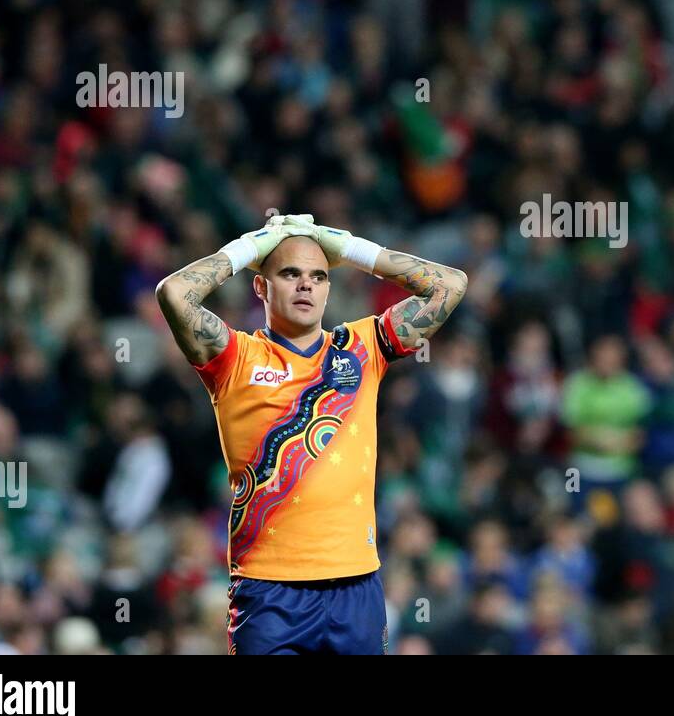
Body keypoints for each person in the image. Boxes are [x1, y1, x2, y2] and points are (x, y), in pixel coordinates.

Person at [154, 214, 467, 654]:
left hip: (356, 588)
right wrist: (251, 247)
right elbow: (174, 293)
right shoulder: (235, 358)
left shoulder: (364, 346)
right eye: (290, 274)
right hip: (269, 592)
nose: (306, 286)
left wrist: (351, 248)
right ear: (261, 287)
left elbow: (450, 286)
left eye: (319, 276)